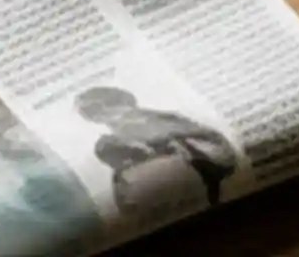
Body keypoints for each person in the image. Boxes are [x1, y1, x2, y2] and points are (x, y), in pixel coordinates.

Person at [75, 87, 236, 211]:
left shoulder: (154, 122)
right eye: (91, 112)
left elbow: (220, 156)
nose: (102, 114)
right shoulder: (117, 139)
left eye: (100, 108)